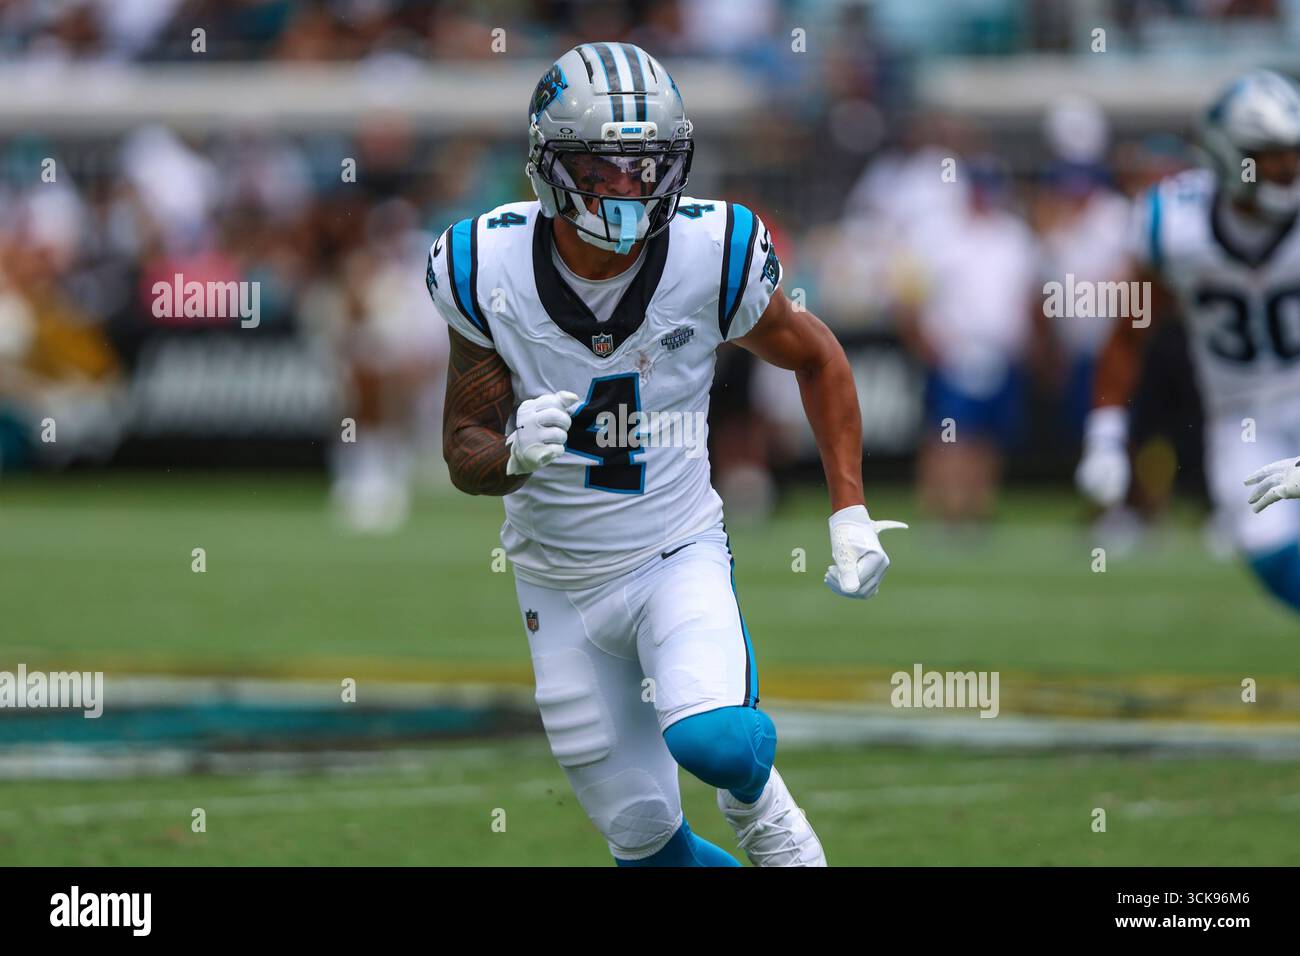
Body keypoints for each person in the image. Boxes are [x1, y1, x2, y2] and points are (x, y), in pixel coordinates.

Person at [427, 43, 904, 866]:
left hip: (673, 552)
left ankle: (771, 820)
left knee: (715, 742)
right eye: (603, 167)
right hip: (558, 582)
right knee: (644, 844)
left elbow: (817, 356)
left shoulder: (710, 250)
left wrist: (849, 509)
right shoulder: (481, 266)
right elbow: (461, 447)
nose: (629, 187)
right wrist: (513, 455)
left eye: (647, 167)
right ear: (549, 165)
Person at [1077, 70, 1300, 613]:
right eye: (1269, 154)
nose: (1287, 167)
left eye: (1292, 152)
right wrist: (1105, 435)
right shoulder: (1172, 224)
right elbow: (1129, 335)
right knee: (1269, 553)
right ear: (1228, 155)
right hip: (1242, 418)